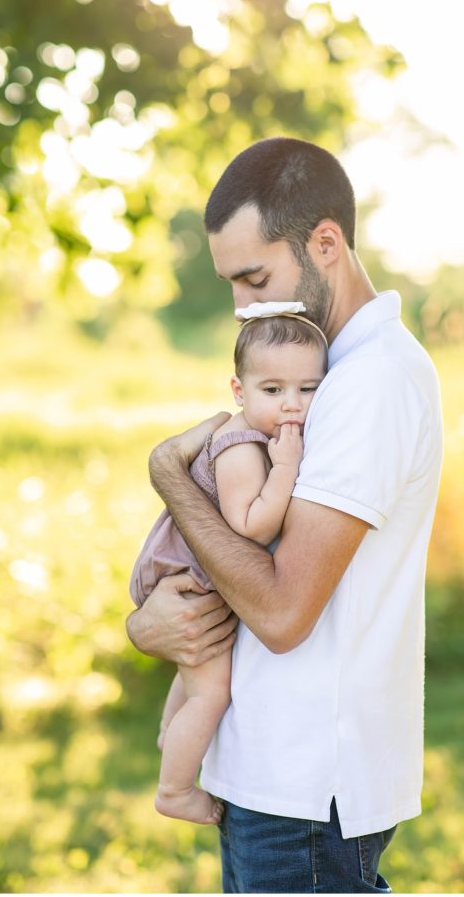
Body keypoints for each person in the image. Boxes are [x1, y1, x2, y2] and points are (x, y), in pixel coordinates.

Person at [126, 137, 443, 894]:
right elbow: (236, 576)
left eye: (254, 276)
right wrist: (149, 624)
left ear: (324, 243)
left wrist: (169, 474)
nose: (242, 306)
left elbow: (278, 611)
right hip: (269, 776)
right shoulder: (313, 378)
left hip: (307, 790)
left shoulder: (368, 384)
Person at [130, 308, 328, 825]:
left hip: (192, 571)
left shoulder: (259, 432)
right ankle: (173, 790)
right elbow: (251, 528)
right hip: (192, 582)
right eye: (273, 390)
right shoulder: (242, 447)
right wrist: (286, 467)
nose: (292, 405)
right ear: (239, 392)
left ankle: (169, 733)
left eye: (308, 389)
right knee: (211, 691)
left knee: (195, 676)